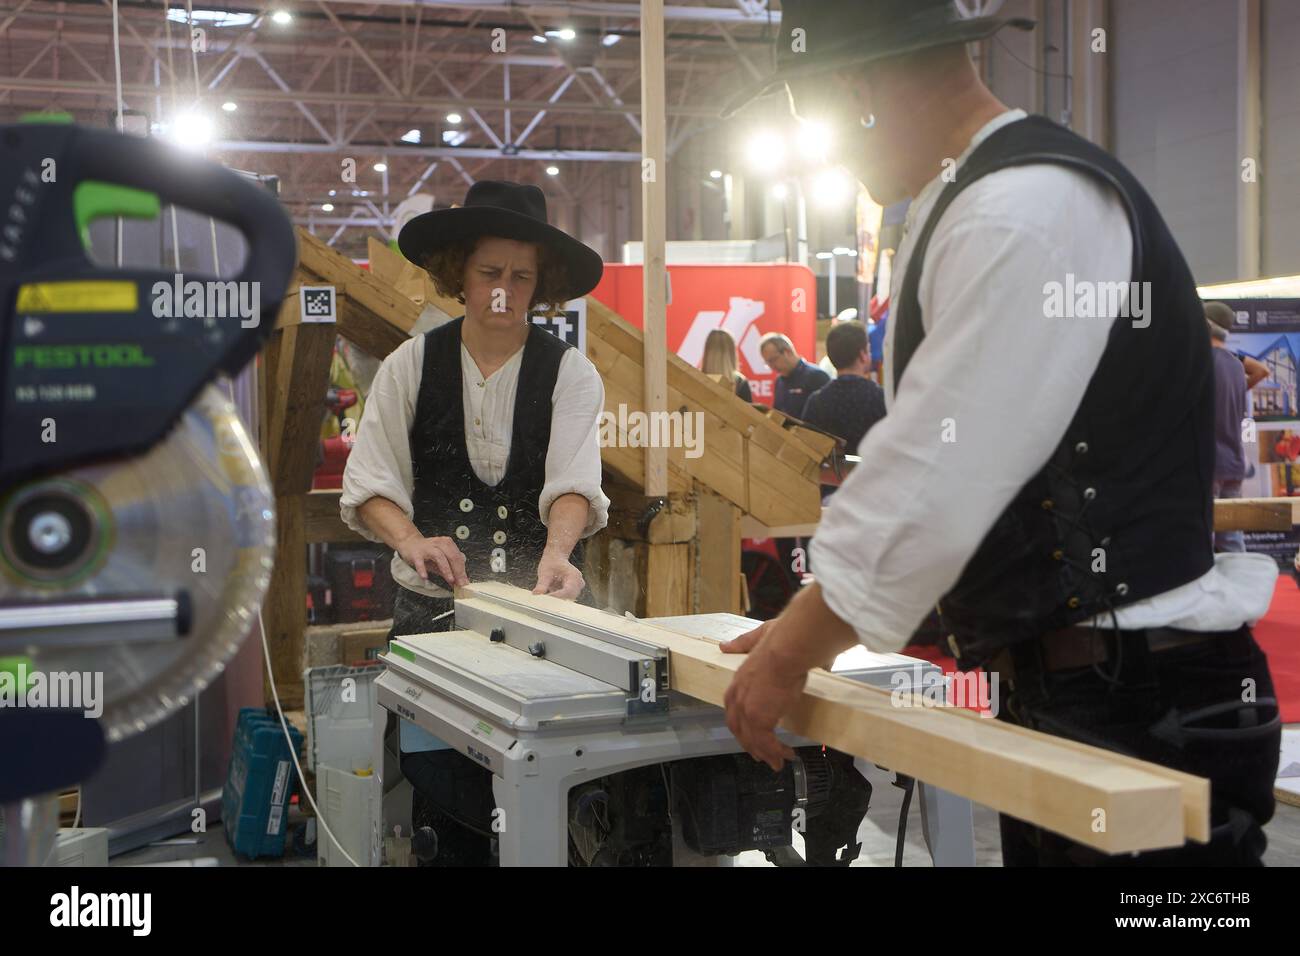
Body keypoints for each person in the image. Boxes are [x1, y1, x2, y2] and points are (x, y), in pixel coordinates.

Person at [719, 0, 1280, 867]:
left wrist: (793, 648)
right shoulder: (980, 197)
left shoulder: (1018, 207)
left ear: (852, 86)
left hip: (1140, 703)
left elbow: (937, 472)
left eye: (810, 112)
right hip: (1085, 688)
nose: (822, 143)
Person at [339, 179, 610, 863]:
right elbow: (369, 483)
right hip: (433, 623)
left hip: (538, 620)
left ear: (540, 283)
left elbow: (573, 483)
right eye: (490, 272)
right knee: (442, 784)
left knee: (554, 776)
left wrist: (558, 552)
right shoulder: (410, 366)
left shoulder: (570, 374)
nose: (504, 289)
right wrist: (410, 539)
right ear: (459, 272)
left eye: (522, 276)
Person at [802, 321, 887, 457]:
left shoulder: (816, 401)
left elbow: (807, 449)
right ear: (863, 355)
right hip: (875, 475)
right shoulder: (881, 398)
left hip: (828, 477)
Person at [1208, 315, 1250, 553]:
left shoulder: (1201, 363)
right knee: (1231, 538)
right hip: (1234, 462)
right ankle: (1240, 589)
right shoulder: (1237, 366)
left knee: (1202, 538)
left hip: (1209, 463)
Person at [760, 332, 829, 419]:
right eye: (767, 363)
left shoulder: (817, 376)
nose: (771, 366)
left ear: (787, 352)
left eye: (773, 360)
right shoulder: (779, 381)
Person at [701, 328, 752, 401]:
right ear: (732, 353)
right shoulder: (740, 383)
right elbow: (749, 412)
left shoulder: (696, 378)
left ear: (707, 351)